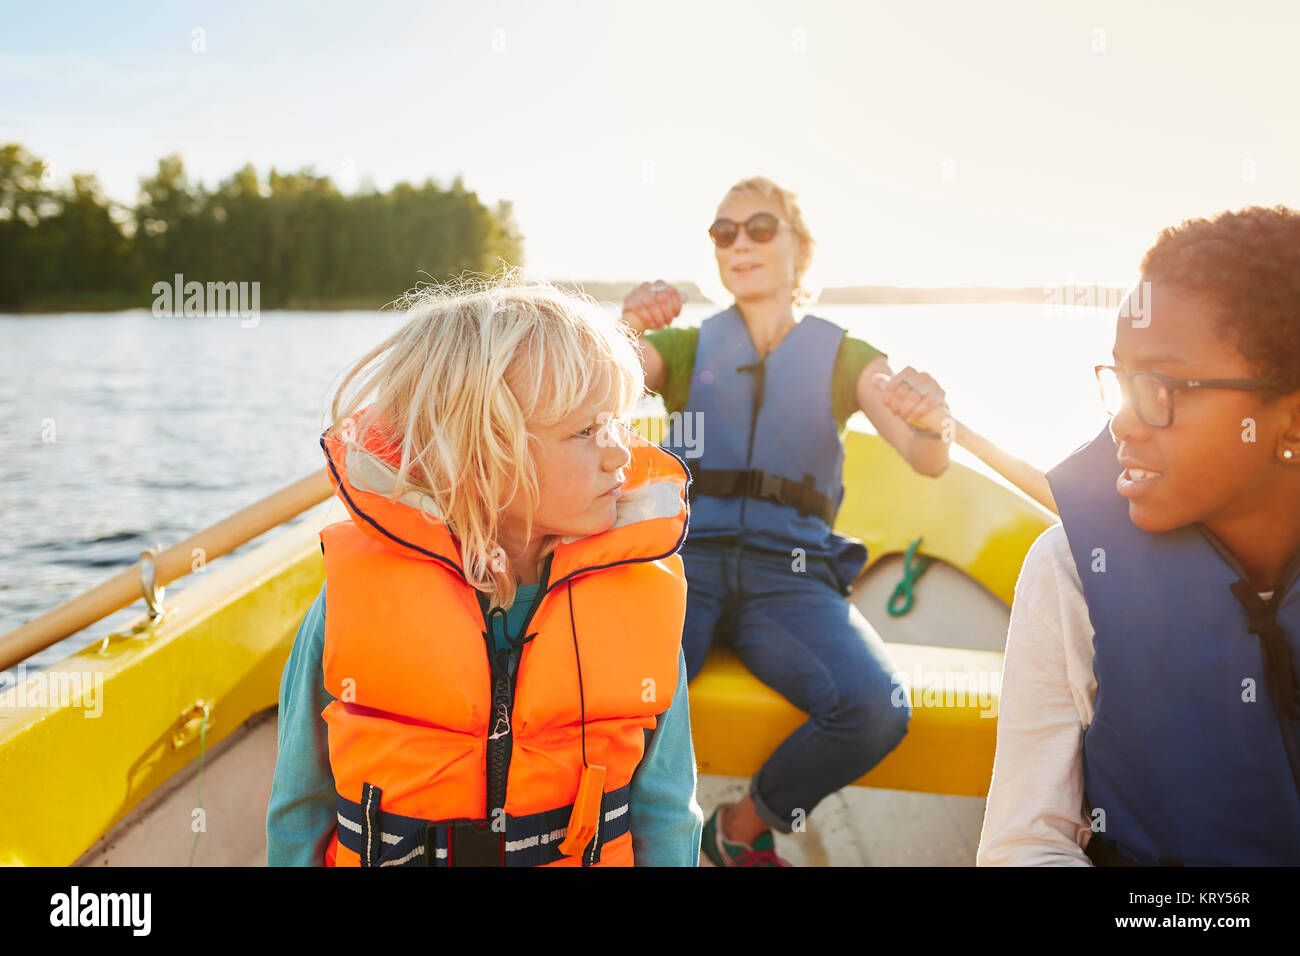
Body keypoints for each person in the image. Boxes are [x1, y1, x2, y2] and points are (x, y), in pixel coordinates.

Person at [267, 277, 703, 867]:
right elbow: (302, 805)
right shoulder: (348, 607)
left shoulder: (637, 600)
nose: (621, 452)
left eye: (618, 424)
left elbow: (666, 811)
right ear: (477, 453)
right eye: (584, 431)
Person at [619, 175, 955, 866]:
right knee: (621, 697)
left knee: (874, 710)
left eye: (760, 228)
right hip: (686, 565)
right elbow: (591, 386)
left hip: (792, 579)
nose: (740, 243)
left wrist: (936, 420)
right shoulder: (683, 348)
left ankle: (742, 825)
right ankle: (630, 841)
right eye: (724, 232)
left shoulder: (848, 357)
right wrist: (624, 330)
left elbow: (925, 456)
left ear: (800, 249)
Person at [978, 206, 1300, 866]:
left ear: (1290, 425)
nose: (1122, 423)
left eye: (1161, 387)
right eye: (1122, 380)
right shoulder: (1071, 568)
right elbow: (1026, 842)